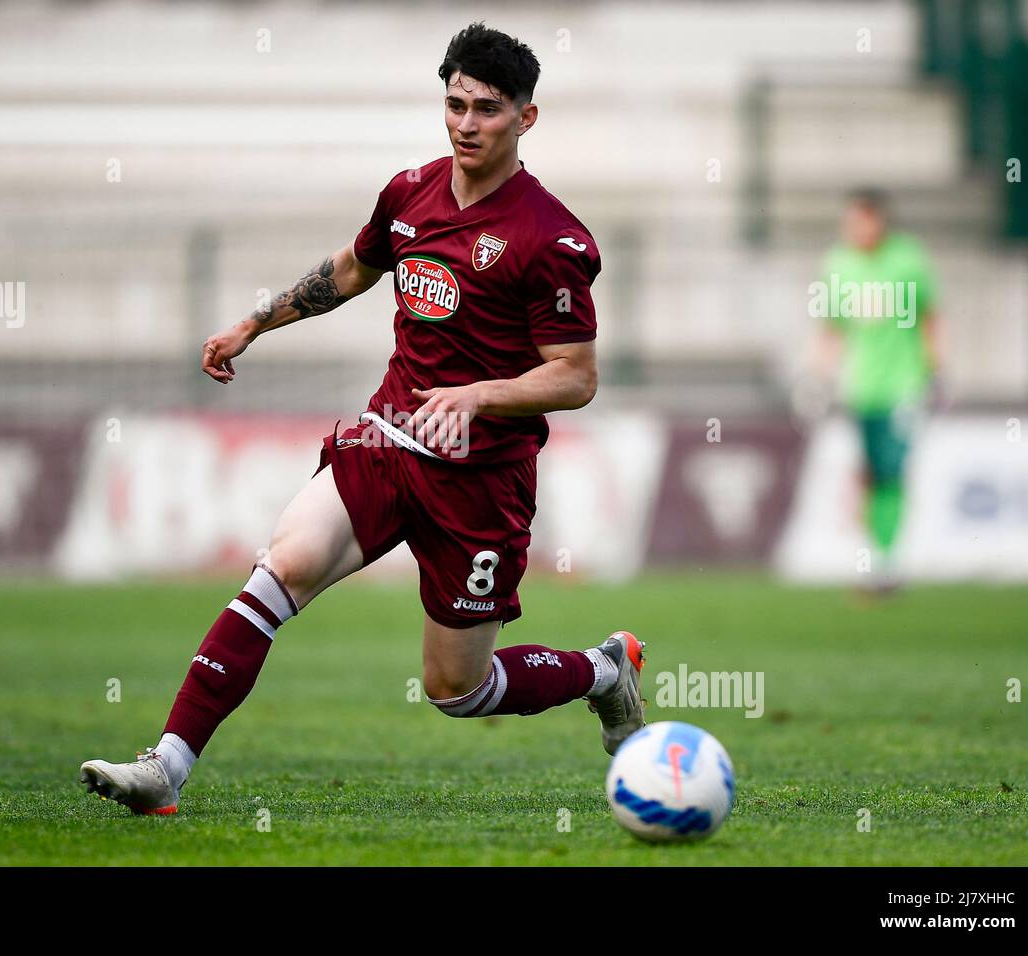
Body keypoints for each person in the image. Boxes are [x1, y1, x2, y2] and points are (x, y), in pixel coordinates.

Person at [80, 22, 645, 815]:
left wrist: (480, 394)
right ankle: (165, 768)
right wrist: (254, 323)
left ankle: (604, 671)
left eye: (487, 108)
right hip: (387, 439)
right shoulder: (409, 191)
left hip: (481, 481)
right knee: (281, 568)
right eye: (454, 104)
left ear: (527, 117)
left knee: (456, 689)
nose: (466, 123)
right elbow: (351, 270)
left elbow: (576, 377)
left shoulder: (549, 238)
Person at [816, 188, 943, 589]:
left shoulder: (908, 259)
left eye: (863, 220)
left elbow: (930, 316)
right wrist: (819, 376)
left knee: (892, 469)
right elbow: (832, 328)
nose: (857, 229)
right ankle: (877, 558)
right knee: (870, 473)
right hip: (861, 387)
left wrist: (935, 368)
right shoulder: (838, 264)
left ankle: (889, 560)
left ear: (879, 220)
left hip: (903, 385)